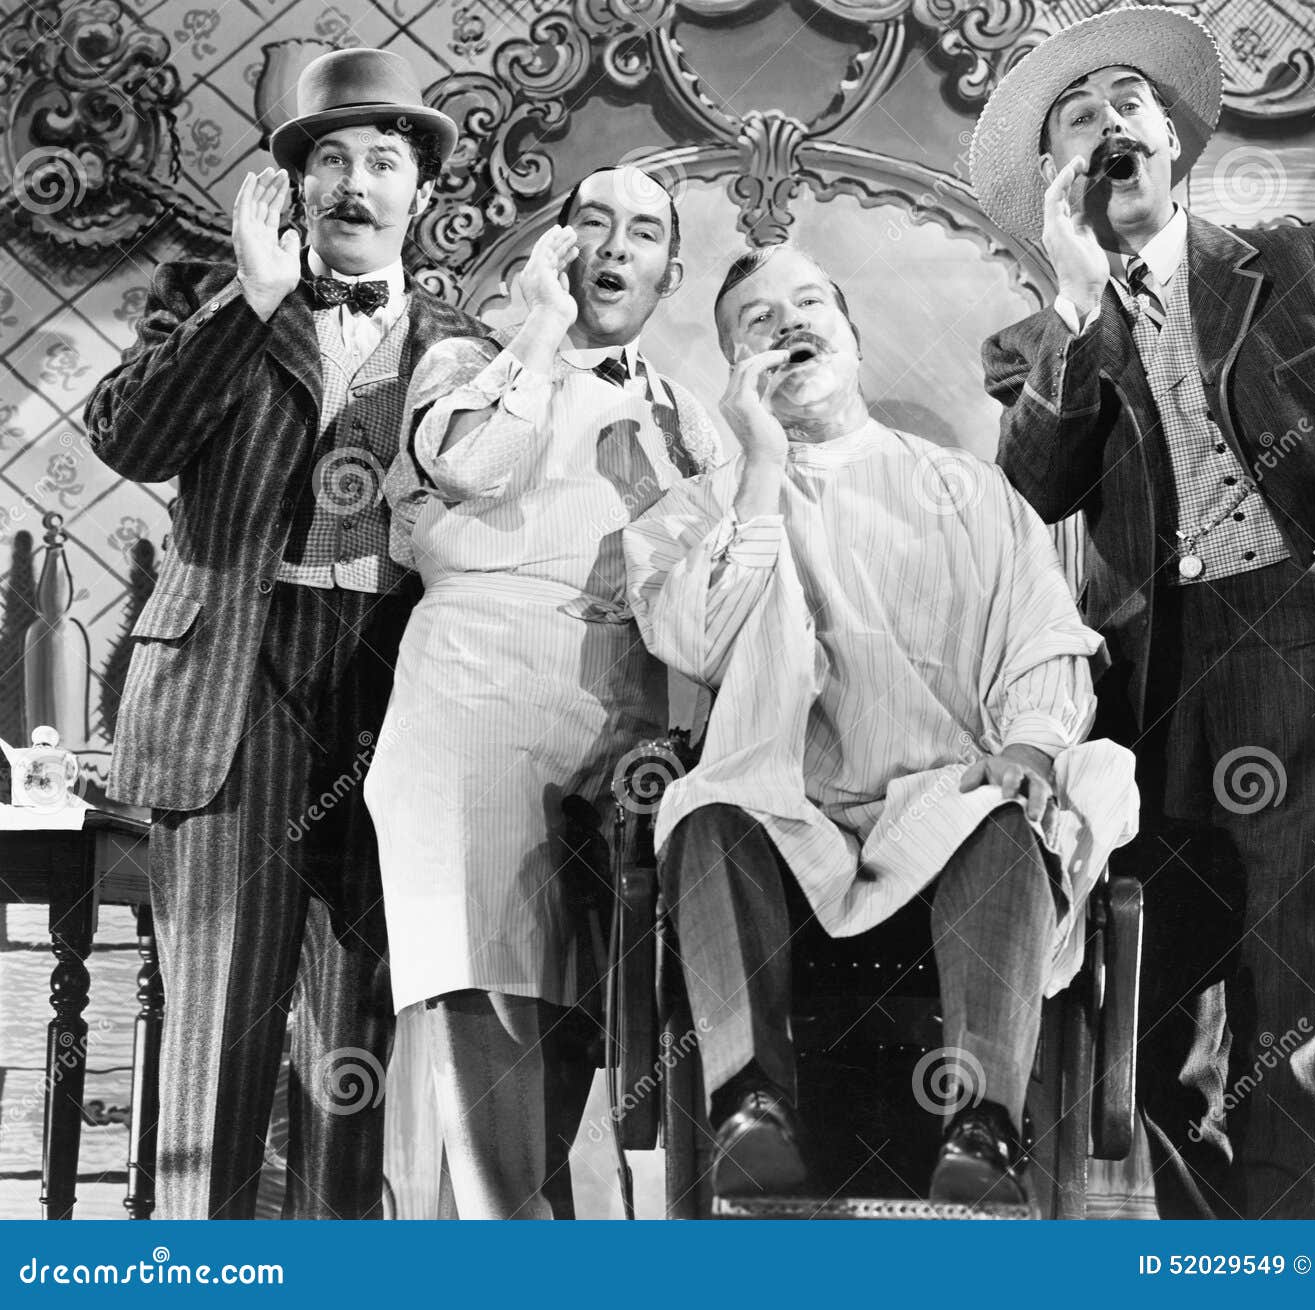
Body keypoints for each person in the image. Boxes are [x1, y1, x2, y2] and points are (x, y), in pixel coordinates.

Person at [969, 6, 1315, 1217]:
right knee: (1153, 1013)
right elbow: (1035, 486)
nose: (1105, 127)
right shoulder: (1036, 344)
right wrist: (1081, 303)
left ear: (1174, 138)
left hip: (1302, 644)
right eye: (1076, 120)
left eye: (1124, 105)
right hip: (1145, 680)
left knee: (1298, 1004)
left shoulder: (1304, 265)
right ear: (1059, 181)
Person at [623, 245, 1136, 1206]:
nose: (790, 325)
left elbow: (1040, 637)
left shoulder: (969, 491)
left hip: (939, 810)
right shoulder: (696, 512)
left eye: (810, 302)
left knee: (1003, 812)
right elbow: (698, 638)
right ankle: (750, 1107)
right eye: (758, 322)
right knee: (705, 813)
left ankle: (983, 1123)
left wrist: (1026, 743)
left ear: (853, 340)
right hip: (784, 817)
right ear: (734, 368)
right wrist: (762, 469)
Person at [85, 48, 485, 1217]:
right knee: (219, 1028)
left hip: (388, 687)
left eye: (381, 161)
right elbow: (129, 439)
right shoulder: (214, 302)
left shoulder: (468, 349)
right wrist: (251, 298)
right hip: (235, 678)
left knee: (346, 1048)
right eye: (331, 163)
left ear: (419, 192)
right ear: (293, 190)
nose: (355, 185)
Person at [364, 165, 721, 1219]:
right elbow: (475, 468)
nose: (615, 246)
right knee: (485, 999)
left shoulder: (684, 415)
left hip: (619, 737)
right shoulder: (472, 361)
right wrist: (538, 329)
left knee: (575, 1021)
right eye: (592, 224)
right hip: (474, 703)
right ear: (557, 249)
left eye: (643, 232)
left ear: (669, 272)